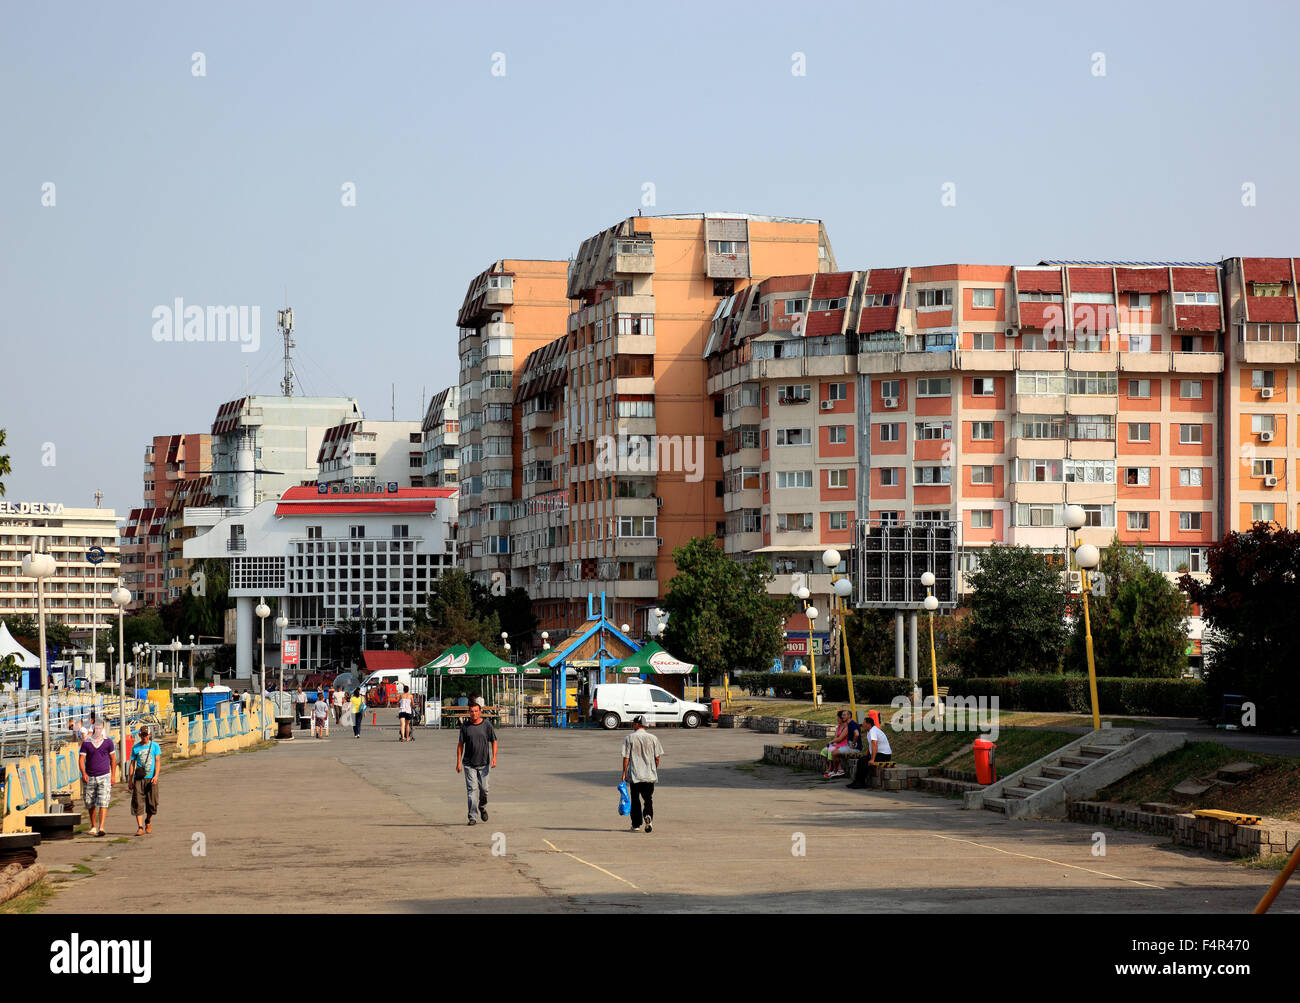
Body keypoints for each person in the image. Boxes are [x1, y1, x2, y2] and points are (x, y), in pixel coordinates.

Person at [455, 695, 497, 825]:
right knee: (471, 791)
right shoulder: (465, 726)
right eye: (471, 711)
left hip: (484, 763)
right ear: (469, 712)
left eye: (476, 711)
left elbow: (494, 741)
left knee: (484, 789)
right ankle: (472, 817)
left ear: (480, 712)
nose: (473, 714)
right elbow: (460, 745)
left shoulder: (487, 725)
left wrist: (494, 757)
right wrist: (458, 762)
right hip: (469, 764)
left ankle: (482, 807)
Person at [621, 715, 664, 833]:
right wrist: (653, 769)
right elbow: (657, 758)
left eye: (633, 723)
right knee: (648, 799)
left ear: (637, 725)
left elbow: (626, 758)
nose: (632, 725)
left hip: (635, 775)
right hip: (649, 775)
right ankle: (648, 816)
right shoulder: (653, 738)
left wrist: (624, 773)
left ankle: (636, 824)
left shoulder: (629, 738)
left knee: (635, 800)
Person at [78, 723, 116, 837]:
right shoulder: (87, 743)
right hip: (90, 776)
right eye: (96, 728)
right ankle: (93, 825)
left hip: (104, 775)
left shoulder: (108, 742)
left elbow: (113, 759)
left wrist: (113, 775)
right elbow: (81, 759)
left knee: (103, 801)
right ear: (93, 729)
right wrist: (83, 773)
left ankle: (102, 827)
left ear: (102, 729)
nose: (98, 730)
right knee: (90, 802)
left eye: (100, 728)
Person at [128, 724, 161, 835]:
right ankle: (140, 827)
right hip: (139, 779)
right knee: (138, 802)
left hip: (151, 779)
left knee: (152, 803)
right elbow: (132, 764)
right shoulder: (136, 748)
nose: (144, 737)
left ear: (149, 735)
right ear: (139, 735)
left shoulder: (155, 746)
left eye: (146, 735)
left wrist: (156, 776)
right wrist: (130, 780)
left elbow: (157, 761)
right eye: (142, 735)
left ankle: (148, 820)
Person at [847, 710, 892, 789]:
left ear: (868, 724)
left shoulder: (873, 731)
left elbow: (874, 744)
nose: (862, 725)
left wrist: (872, 759)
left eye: (864, 724)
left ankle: (861, 783)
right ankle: (857, 781)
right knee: (861, 760)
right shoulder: (869, 731)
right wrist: (867, 755)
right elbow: (870, 744)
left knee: (864, 762)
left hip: (884, 755)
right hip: (879, 754)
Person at [822, 710, 851, 779]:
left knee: (831, 749)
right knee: (823, 751)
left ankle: (832, 768)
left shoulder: (846, 727)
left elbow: (840, 739)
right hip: (837, 744)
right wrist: (833, 742)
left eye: (838, 717)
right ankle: (830, 767)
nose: (837, 719)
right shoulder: (839, 727)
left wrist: (832, 743)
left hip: (844, 745)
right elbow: (835, 737)